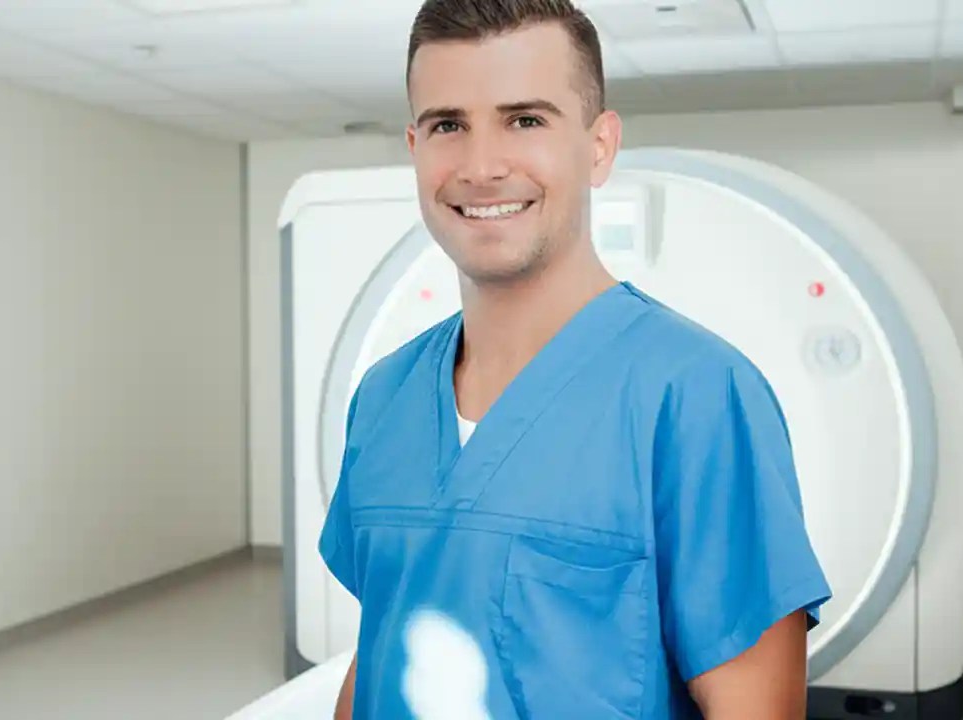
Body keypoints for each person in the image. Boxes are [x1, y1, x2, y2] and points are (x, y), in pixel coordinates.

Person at [319, 0, 831, 717]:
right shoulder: (383, 397)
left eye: (525, 119)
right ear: (414, 145)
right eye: (448, 125)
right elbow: (382, 653)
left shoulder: (696, 395)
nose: (482, 165)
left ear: (599, 146)